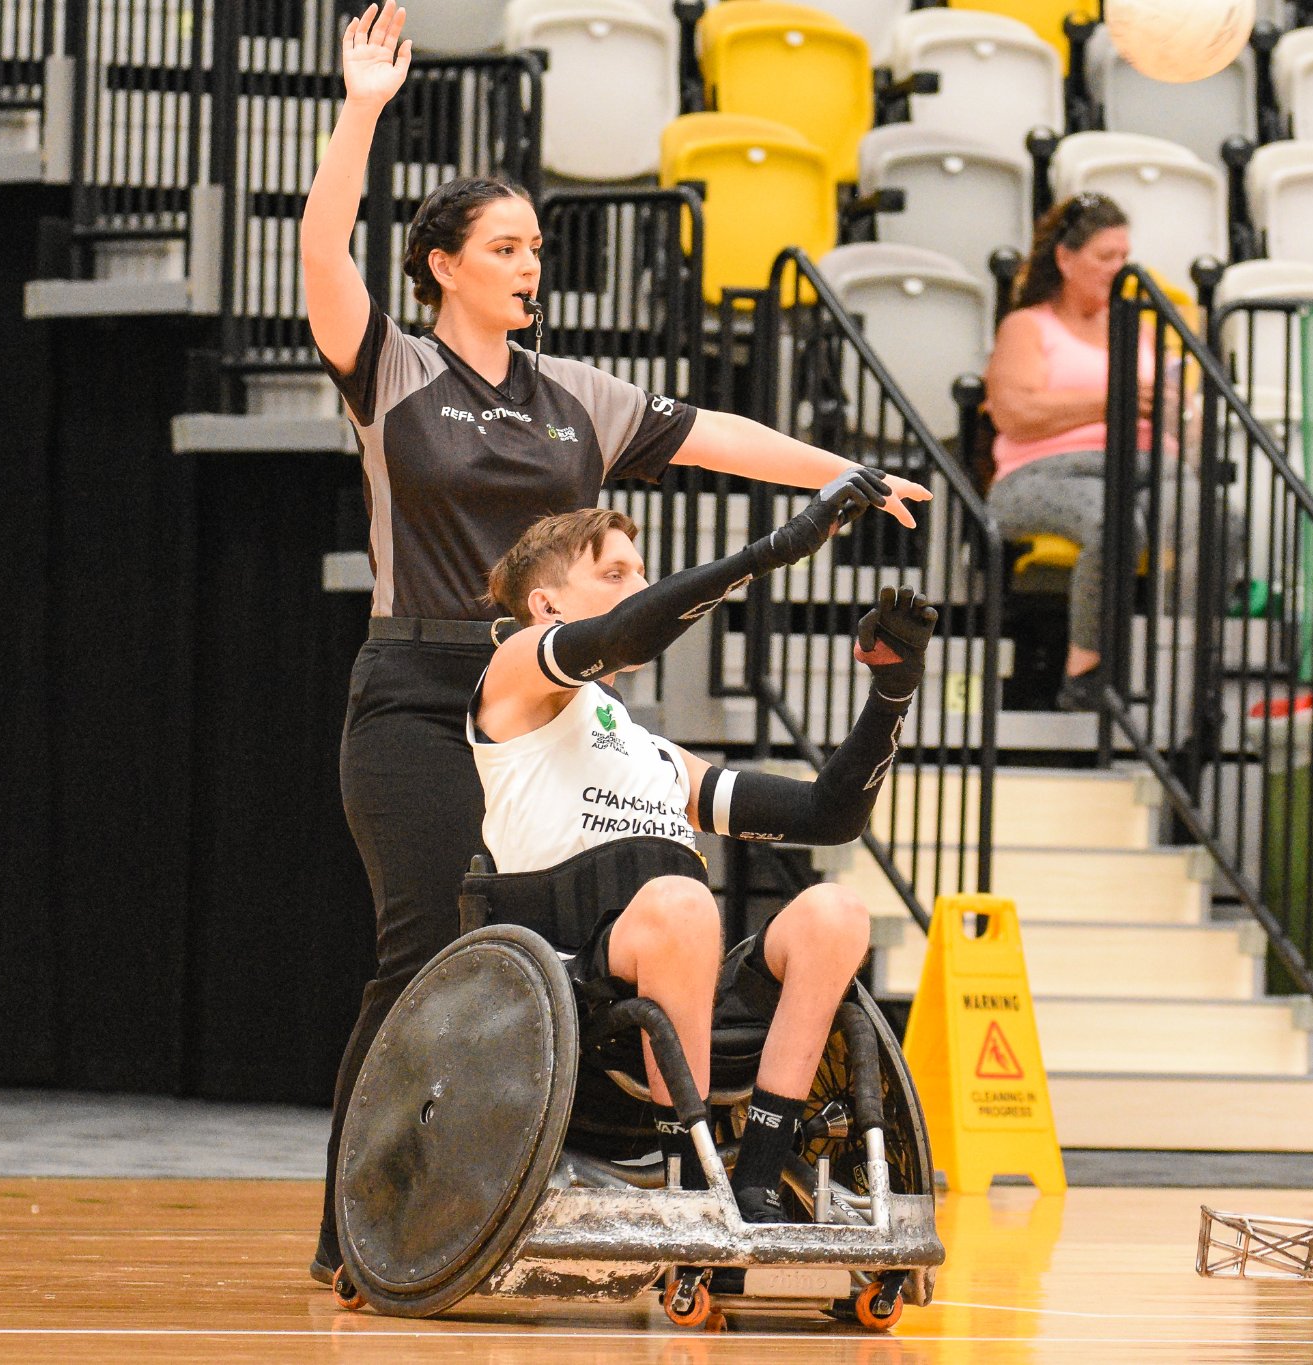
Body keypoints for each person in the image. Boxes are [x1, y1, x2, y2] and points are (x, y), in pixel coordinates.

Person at [300, 0, 932, 1281]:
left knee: (547, 946)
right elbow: (319, 255)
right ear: (444, 266)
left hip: (554, 694)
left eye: (537, 246)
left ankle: (591, 1174)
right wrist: (362, 111)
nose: (531, 265)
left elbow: (717, 438)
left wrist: (845, 473)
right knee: (421, 954)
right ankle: (363, 1229)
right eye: (505, 247)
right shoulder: (395, 373)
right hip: (422, 690)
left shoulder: (575, 397)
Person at [467, 480, 938, 1222]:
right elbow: (627, 633)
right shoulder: (512, 674)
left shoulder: (655, 755)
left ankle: (756, 1174)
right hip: (571, 981)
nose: (640, 586)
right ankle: (694, 1181)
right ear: (546, 606)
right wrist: (772, 551)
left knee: (836, 912)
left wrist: (891, 696)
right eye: (614, 571)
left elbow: (830, 813)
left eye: (640, 571)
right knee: (683, 904)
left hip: (678, 970)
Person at [982, 192, 1181, 712]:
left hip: (1142, 467)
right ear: (1065, 260)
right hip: (1039, 474)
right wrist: (1109, 403)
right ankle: (1087, 673)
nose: (1120, 269)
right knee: (1115, 521)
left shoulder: (1140, 331)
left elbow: (1177, 425)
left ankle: (1186, 669)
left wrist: (1183, 416)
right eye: (1105, 257)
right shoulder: (1027, 325)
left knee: (1217, 517)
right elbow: (1014, 413)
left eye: (1124, 256)